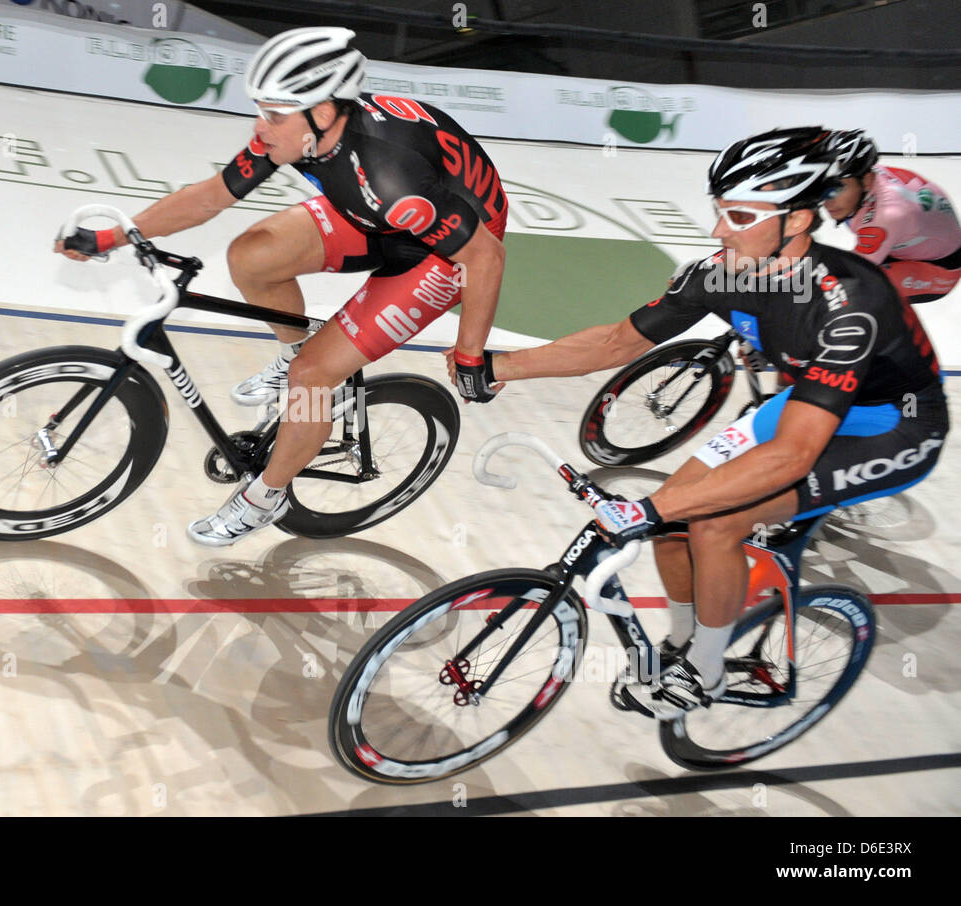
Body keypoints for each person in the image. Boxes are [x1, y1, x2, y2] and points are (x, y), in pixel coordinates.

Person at [450, 127, 948, 718]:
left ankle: (705, 672)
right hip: (808, 406)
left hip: (893, 429)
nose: (717, 231)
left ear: (795, 220)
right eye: (718, 213)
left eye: (738, 215)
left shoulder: (851, 304)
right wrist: (501, 366)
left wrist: (656, 509)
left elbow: (791, 456)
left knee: (712, 521)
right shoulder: (719, 272)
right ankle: (685, 646)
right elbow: (615, 343)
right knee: (672, 515)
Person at [56, 26, 508, 546]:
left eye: (273, 115)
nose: (260, 126)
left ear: (322, 112)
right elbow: (209, 198)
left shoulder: (387, 175)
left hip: (445, 252)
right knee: (252, 255)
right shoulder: (311, 131)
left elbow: (485, 257)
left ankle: (265, 496)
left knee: (313, 378)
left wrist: (471, 355)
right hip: (379, 217)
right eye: (261, 110)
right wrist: (115, 235)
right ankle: (296, 355)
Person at [822, 129, 961, 304]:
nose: (828, 200)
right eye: (823, 188)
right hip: (917, 242)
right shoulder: (868, 176)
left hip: (939, 268)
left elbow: (850, 274)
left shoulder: (887, 215)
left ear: (866, 180)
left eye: (837, 188)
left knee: (845, 295)